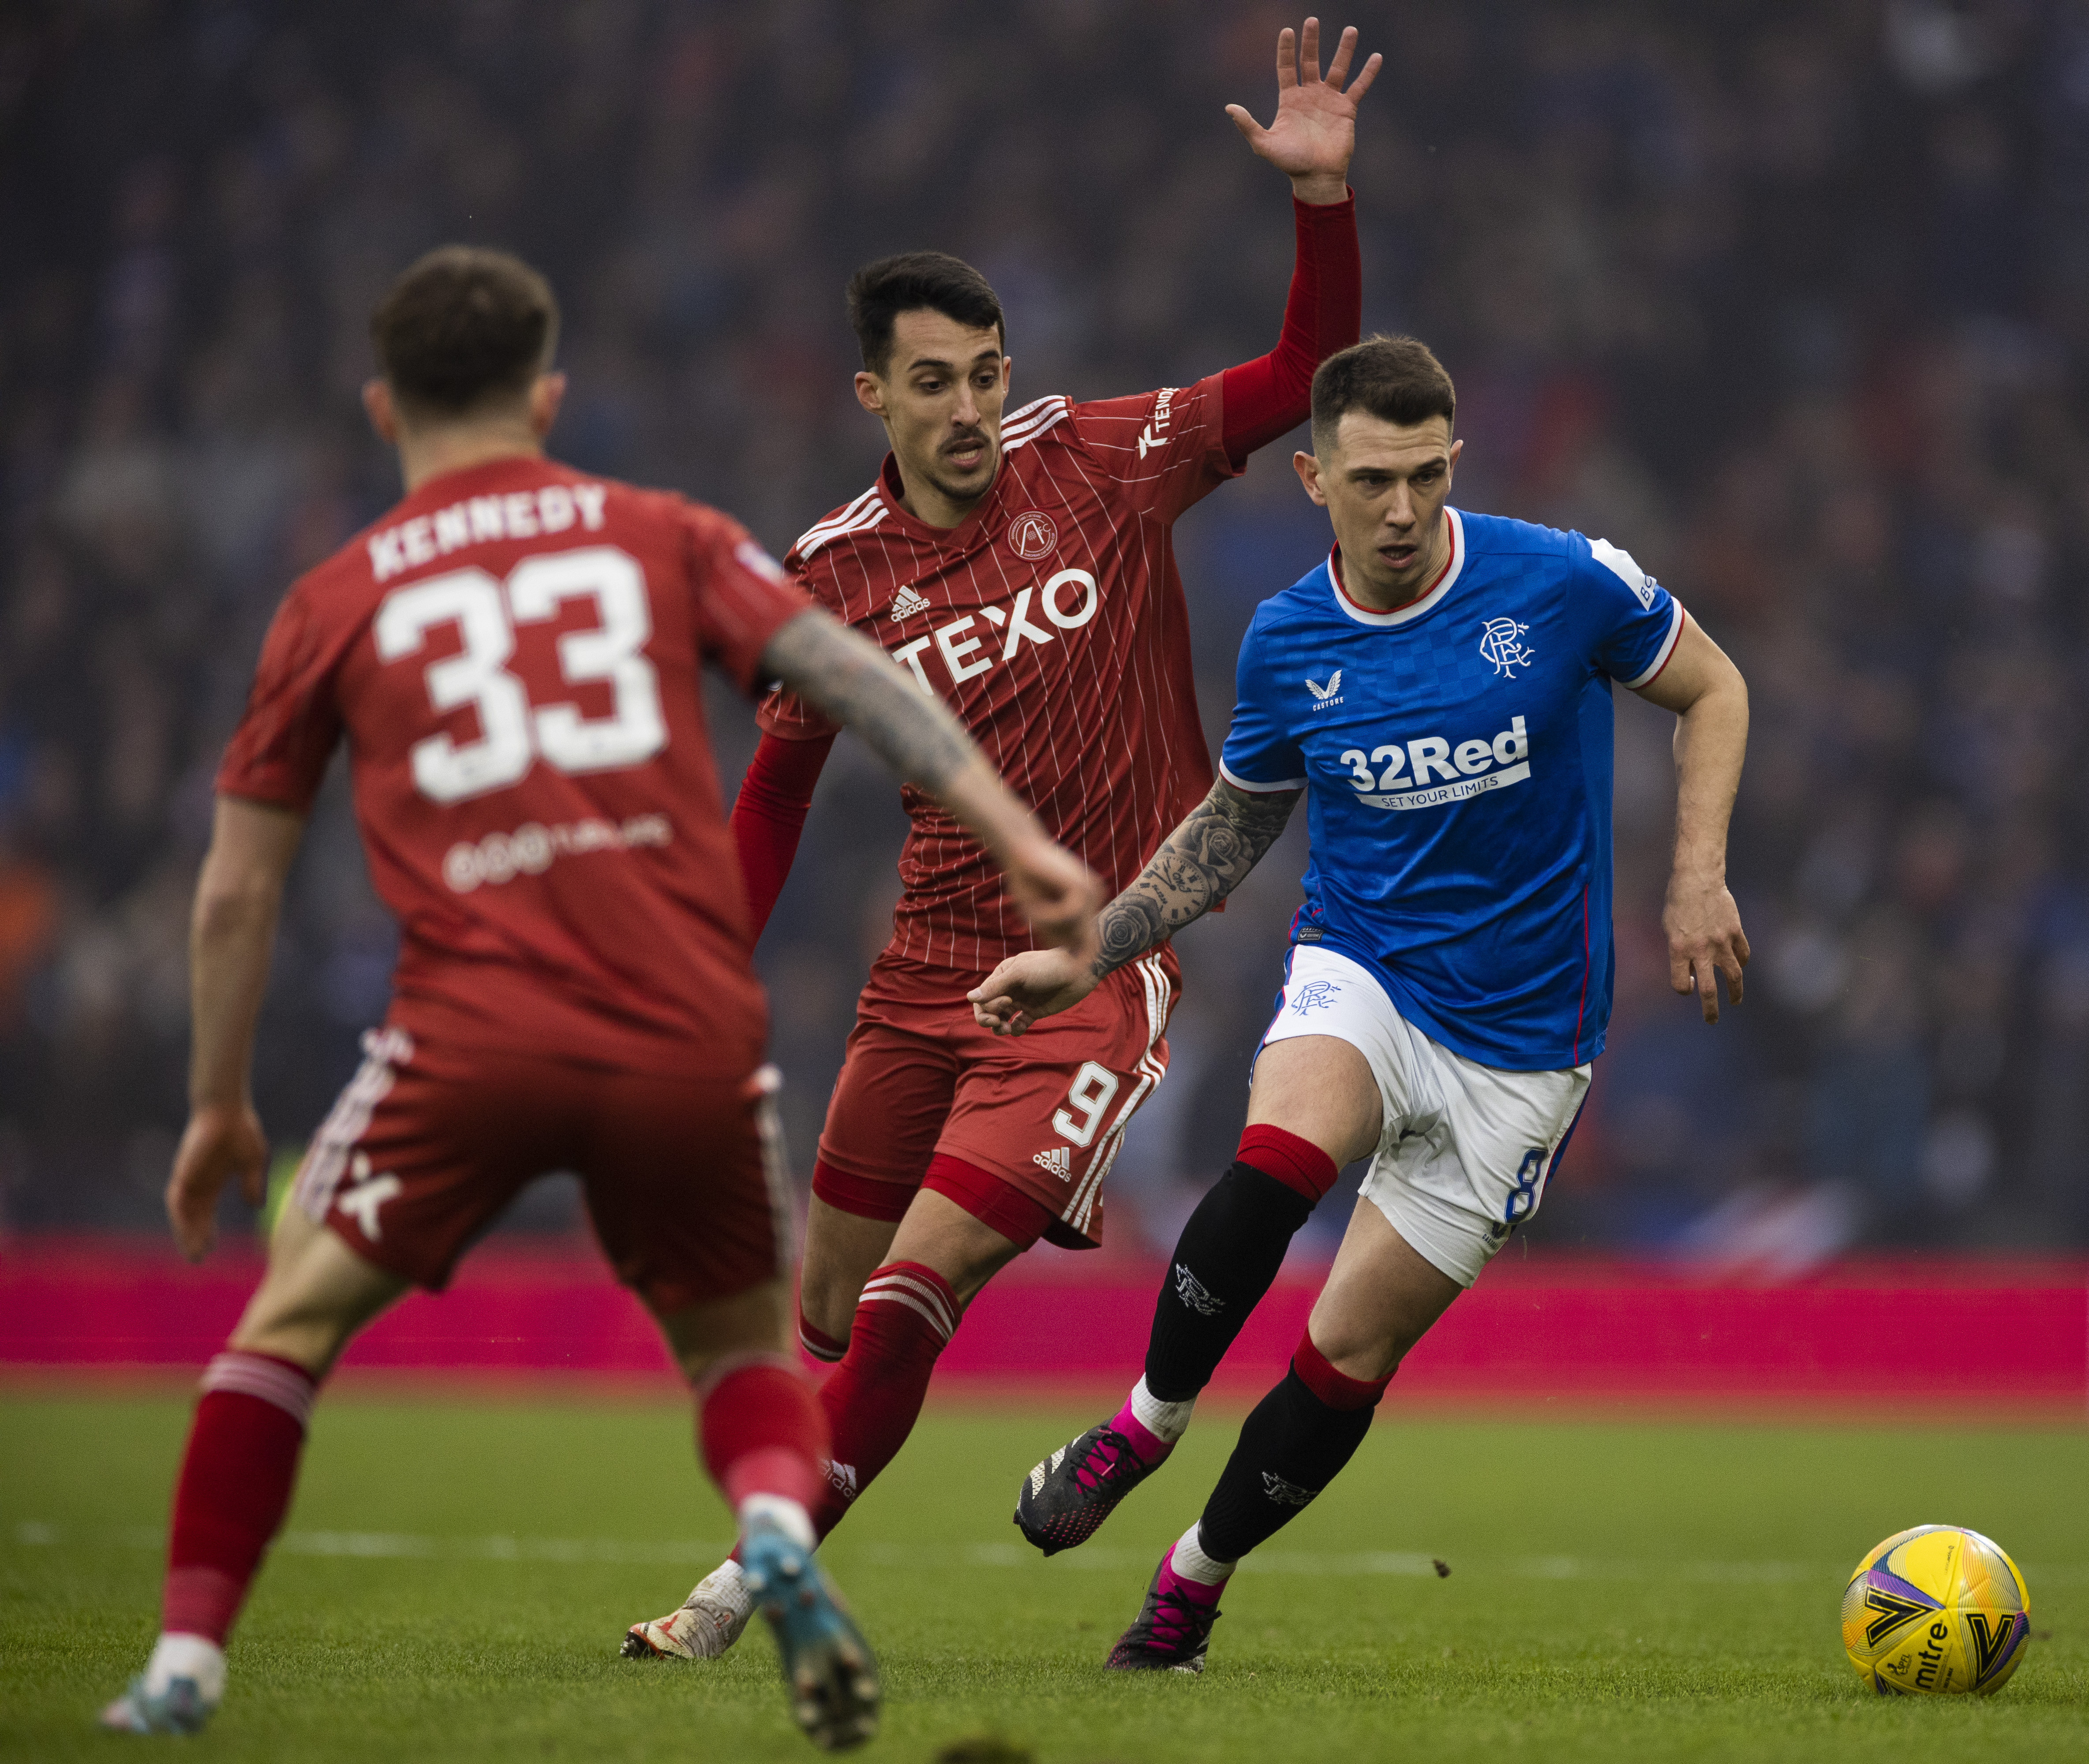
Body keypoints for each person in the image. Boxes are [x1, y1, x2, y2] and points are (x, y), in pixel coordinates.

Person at [97, 245, 1098, 1748]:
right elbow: (855, 680)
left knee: (284, 1330)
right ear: (551, 397)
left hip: (472, 1021)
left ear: (383, 409)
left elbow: (237, 889)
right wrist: (1024, 838)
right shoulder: (663, 533)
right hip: (677, 1024)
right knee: (747, 1351)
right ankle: (772, 1549)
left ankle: (181, 1667)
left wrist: (217, 1106)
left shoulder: (331, 598)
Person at [619, 17, 1379, 1666]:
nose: (976, 407)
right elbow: (771, 799)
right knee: (830, 1310)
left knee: (907, 1301)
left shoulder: (1100, 460)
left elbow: (1299, 372)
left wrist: (1322, 205)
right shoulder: (831, 575)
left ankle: (737, 1592)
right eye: (939, 383)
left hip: (1099, 963)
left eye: (991, 371)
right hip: (920, 979)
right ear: (874, 394)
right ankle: (976, 1265)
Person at [970, 332, 1752, 1671]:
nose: (1402, 509)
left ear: (1453, 465)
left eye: (1427, 477)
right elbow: (1233, 827)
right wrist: (1093, 951)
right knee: (1279, 1157)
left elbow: (1716, 686)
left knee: (1345, 1354)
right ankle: (1143, 1424)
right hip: (1367, 970)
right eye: (1374, 480)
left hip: (1526, 1049)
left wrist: (1696, 878)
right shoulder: (1288, 641)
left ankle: (1189, 1589)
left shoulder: (1561, 582)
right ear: (1313, 477)